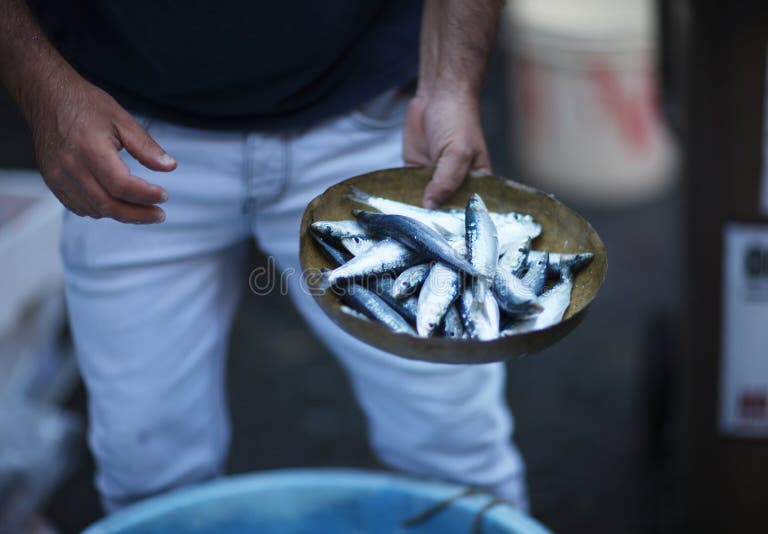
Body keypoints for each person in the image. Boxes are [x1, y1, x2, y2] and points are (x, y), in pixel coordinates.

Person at [0, 0, 528, 513]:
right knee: (144, 465)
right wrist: (46, 91)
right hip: (120, 131)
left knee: (456, 442)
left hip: (371, 118)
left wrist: (451, 84)